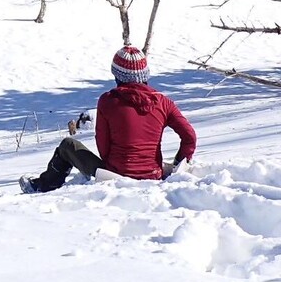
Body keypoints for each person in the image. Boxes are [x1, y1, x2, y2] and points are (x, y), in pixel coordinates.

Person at [20, 46, 196, 193]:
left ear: (117, 75)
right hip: (153, 174)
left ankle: (43, 186)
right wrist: (177, 164)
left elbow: (103, 147)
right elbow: (190, 137)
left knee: (68, 145)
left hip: (114, 175)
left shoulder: (108, 101)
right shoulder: (164, 102)